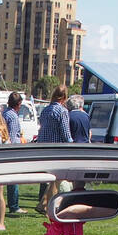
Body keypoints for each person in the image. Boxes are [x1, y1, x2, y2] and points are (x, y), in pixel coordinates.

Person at [34, 85, 73, 213]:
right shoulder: (62, 111)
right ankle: (49, 205)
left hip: (43, 147)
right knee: (57, 179)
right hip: (57, 150)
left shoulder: (45, 110)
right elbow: (66, 134)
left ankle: (43, 203)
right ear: (64, 97)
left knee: (52, 180)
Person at [2, 92, 25, 214]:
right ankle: (14, 205)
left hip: (4, 148)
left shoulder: (4, 113)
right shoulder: (13, 116)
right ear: (18, 104)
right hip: (12, 150)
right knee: (13, 179)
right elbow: (14, 135)